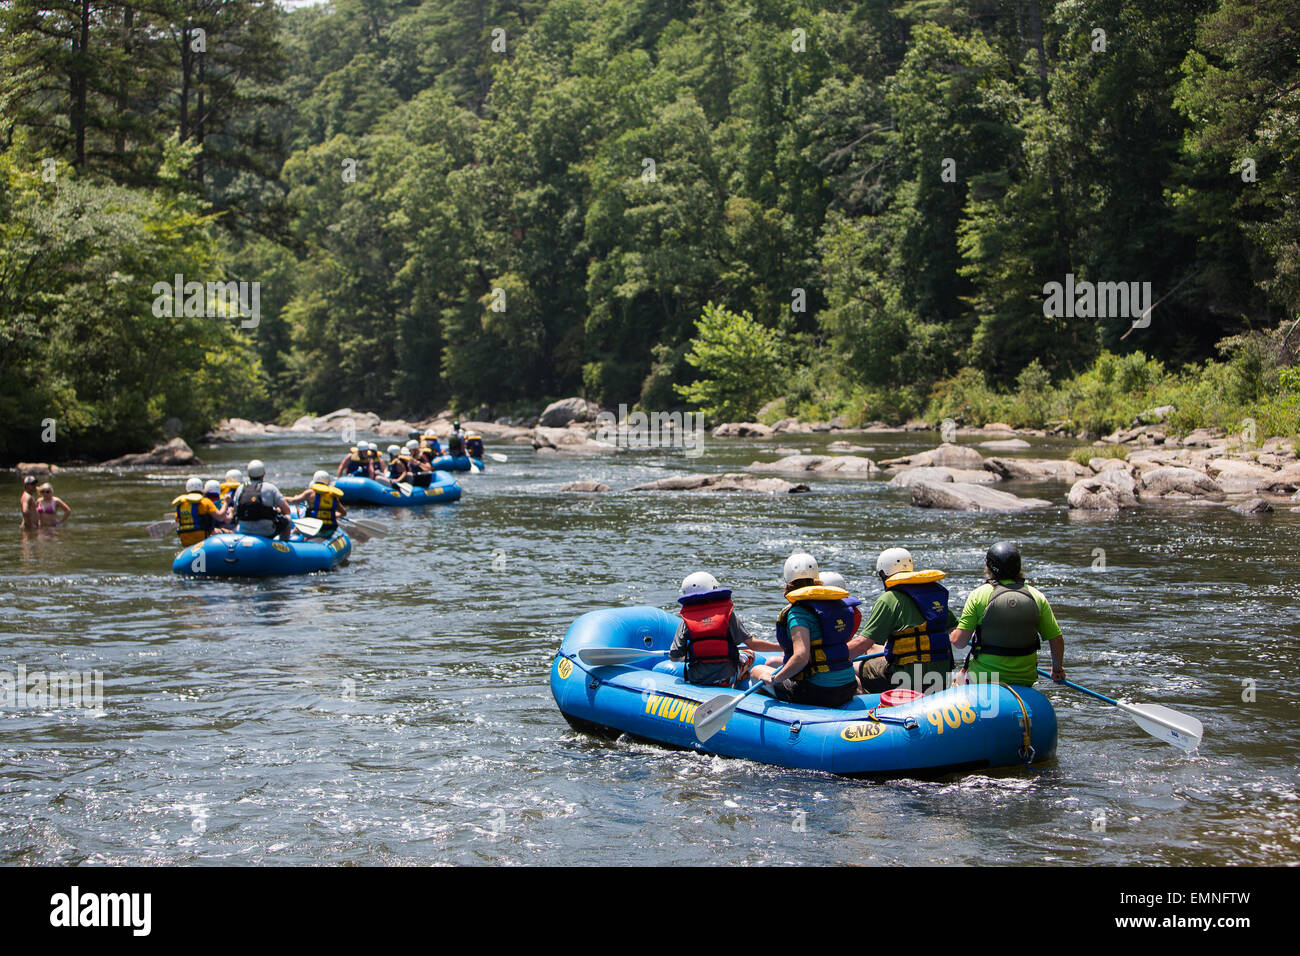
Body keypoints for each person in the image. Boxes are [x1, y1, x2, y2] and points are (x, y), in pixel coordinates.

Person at [748, 553, 859, 708]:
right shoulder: (835, 605)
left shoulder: (798, 612)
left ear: (787, 582)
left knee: (757, 671)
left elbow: (801, 656)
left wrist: (776, 678)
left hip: (818, 692)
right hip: (848, 687)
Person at [949, 542, 1065, 686]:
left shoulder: (979, 595)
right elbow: (1056, 639)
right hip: (1025, 679)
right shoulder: (1036, 596)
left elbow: (959, 643)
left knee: (960, 677)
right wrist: (1057, 669)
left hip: (983, 678)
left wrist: (951, 635)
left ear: (989, 567)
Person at [850, 548, 958, 695]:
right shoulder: (934, 595)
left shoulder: (889, 599)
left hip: (906, 679)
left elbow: (862, 644)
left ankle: (864, 707)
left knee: (857, 666)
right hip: (940, 677)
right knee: (876, 648)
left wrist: (831, 657)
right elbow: (955, 631)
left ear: (883, 574)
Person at [668, 572, 756, 687]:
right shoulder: (727, 615)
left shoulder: (685, 622)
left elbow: (674, 657)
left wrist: (689, 656)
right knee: (750, 653)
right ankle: (739, 678)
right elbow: (752, 644)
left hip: (697, 678)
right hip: (725, 677)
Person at [234, 460, 292, 540]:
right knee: (288, 518)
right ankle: (284, 547)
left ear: (248, 474)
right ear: (263, 473)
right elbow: (287, 511)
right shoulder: (270, 488)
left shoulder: (240, 488)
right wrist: (278, 511)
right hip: (266, 532)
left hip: (244, 530)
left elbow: (235, 511)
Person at [286, 470, 347, 536]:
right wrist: (332, 515)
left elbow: (293, 501)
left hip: (314, 530)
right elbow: (343, 513)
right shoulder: (333, 496)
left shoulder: (311, 493)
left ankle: (290, 537)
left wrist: (282, 498)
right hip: (329, 529)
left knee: (297, 528)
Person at [172, 476, 219, 546]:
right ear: (202, 488)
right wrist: (226, 503)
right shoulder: (205, 501)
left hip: (186, 541)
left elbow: (177, 519)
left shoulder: (181, 504)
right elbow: (220, 517)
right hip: (202, 540)